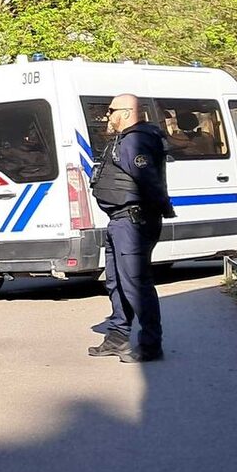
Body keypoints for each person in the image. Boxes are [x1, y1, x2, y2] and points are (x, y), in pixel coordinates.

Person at [88, 93, 174, 363]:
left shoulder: (136, 140)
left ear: (126, 112)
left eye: (111, 110)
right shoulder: (126, 139)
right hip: (120, 221)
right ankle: (117, 337)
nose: (108, 115)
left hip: (133, 221)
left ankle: (150, 345)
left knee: (136, 283)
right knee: (116, 281)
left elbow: (148, 180)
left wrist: (158, 210)